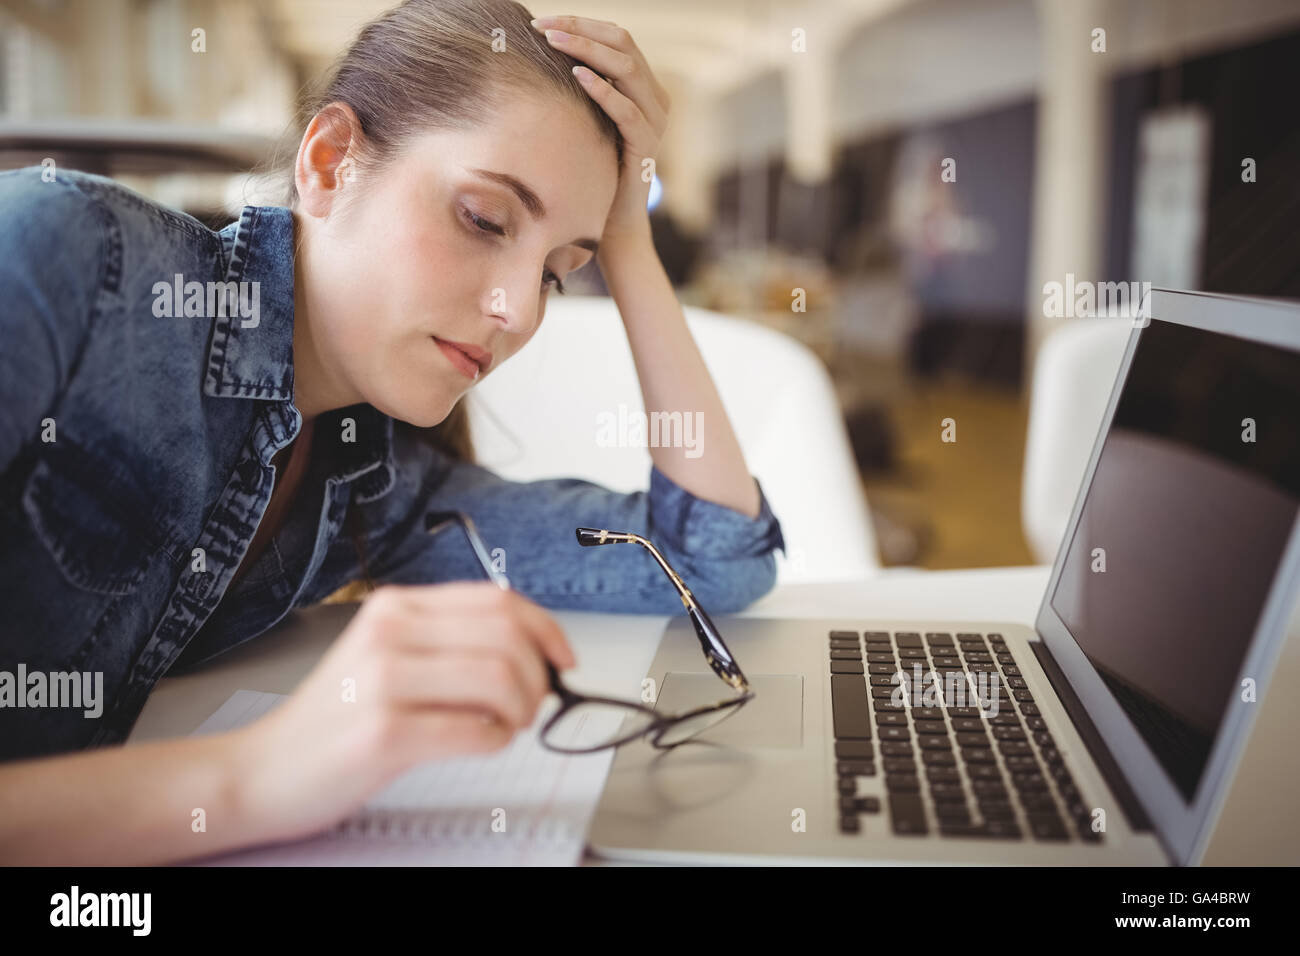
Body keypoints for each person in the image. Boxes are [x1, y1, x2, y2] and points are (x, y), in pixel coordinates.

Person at [0, 0, 785, 864]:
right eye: (484, 220)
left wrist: (627, 236)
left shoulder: (384, 488)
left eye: (560, 275)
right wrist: (258, 777)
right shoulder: (65, 260)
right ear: (330, 163)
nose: (517, 312)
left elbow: (711, 558)